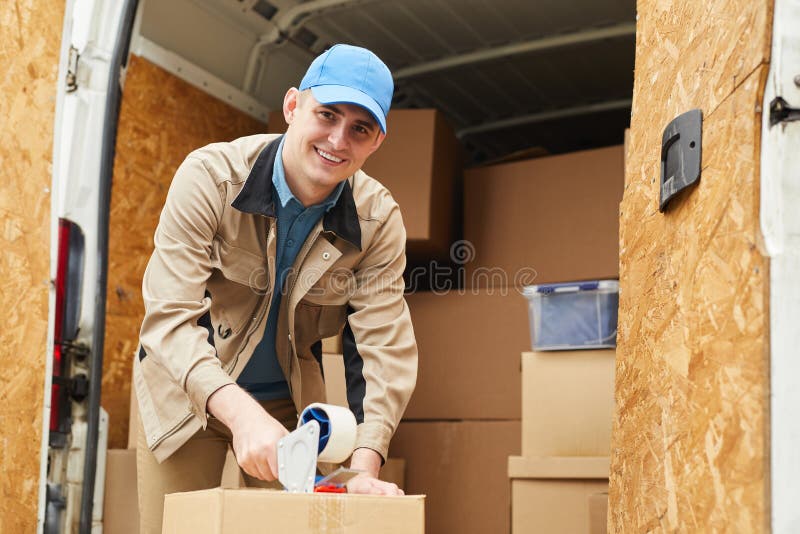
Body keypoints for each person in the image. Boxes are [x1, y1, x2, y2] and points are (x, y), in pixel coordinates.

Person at [133, 44, 418, 532]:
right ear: (292, 107)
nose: (337, 139)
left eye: (360, 129)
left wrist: (365, 462)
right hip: (183, 388)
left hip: (287, 402)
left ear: (377, 142)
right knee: (177, 525)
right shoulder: (210, 177)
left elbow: (383, 348)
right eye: (326, 114)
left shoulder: (378, 220)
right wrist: (241, 418)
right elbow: (168, 319)